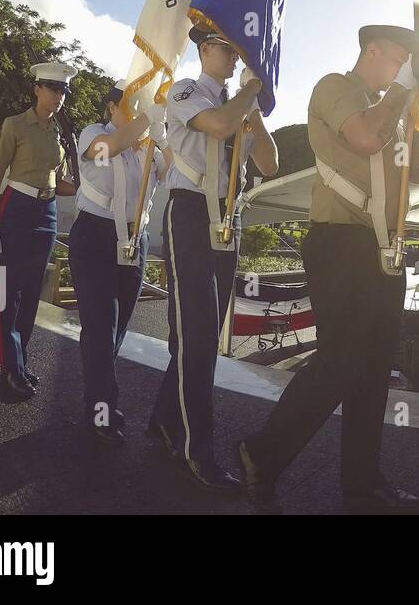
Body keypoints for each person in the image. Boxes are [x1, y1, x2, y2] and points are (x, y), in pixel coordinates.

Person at [238, 25, 419, 513]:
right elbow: (363, 137)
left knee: (372, 372)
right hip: (340, 243)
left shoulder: (395, 109)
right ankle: (261, 452)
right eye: (398, 57)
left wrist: (415, 119)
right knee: (340, 361)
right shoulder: (334, 87)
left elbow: (416, 173)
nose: (402, 66)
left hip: (384, 247)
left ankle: (362, 480)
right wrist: (401, 95)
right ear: (372, 51)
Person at [148, 26, 278, 492]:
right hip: (189, 215)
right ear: (204, 49)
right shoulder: (186, 89)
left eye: (237, 50)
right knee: (198, 337)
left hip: (227, 221)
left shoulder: (239, 103)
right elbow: (220, 127)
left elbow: (269, 163)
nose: (232, 56)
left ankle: (165, 418)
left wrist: (255, 110)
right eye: (226, 47)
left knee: (202, 335)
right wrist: (246, 92)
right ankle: (195, 449)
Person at [70, 80, 170, 443]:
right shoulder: (94, 133)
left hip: (134, 241)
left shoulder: (147, 147)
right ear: (112, 108)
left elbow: (173, 172)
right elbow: (107, 149)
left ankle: (97, 397)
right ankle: (101, 409)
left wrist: (163, 136)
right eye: (130, 104)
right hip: (96, 236)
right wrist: (146, 121)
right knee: (101, 325)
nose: (137, 110)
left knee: (118, 327)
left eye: (142, 104)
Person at [0, 61, 80, 400]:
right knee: (8, 293)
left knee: (30, 295)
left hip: (47, 212)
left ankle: (19, 361)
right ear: (37, 89)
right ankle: (10, 367)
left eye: (63, 92)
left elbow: (62, 182)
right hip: (16, 210)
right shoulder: (15, 125)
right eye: (52, 90)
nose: (58, 97)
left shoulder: (61, 132)